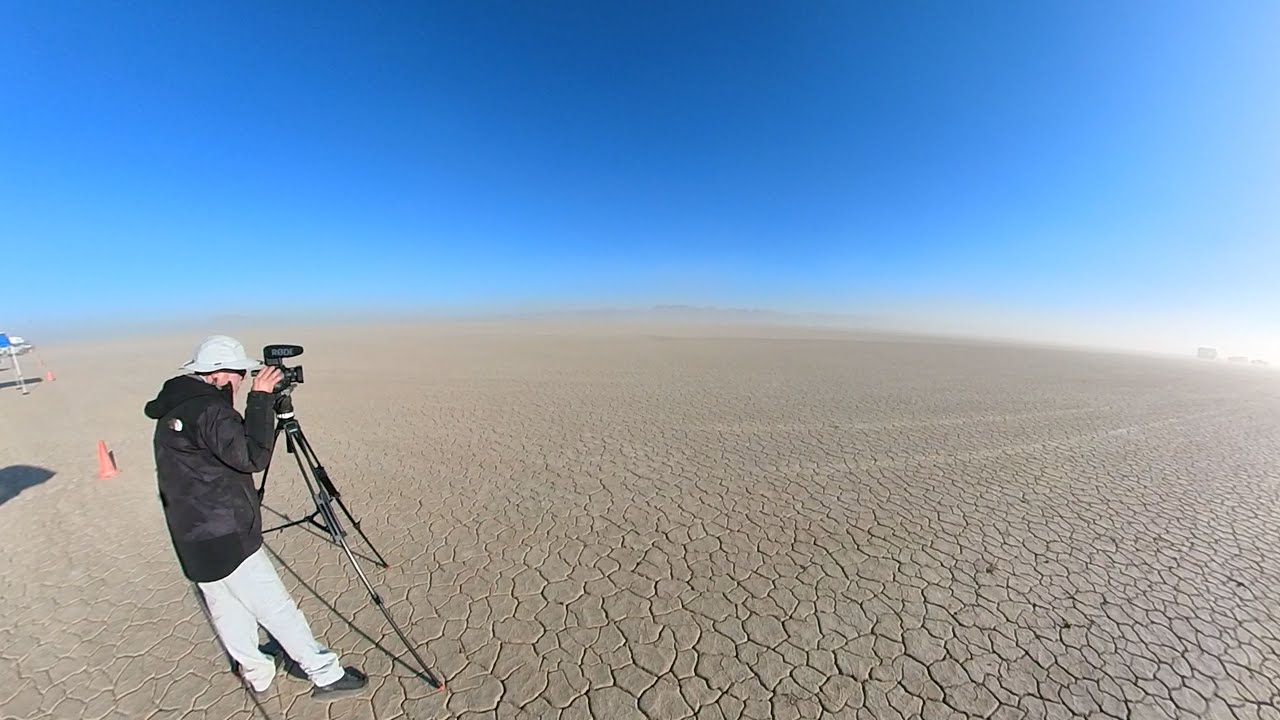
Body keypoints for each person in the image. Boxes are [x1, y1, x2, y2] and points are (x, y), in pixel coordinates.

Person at [144, 334, 368, 702]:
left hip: (191, 534)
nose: (242, 381)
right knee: (274, 606)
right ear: (217, 373)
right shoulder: (207, 410)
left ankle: (256, 672)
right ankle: (324, 673)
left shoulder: (175, 405)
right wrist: (261, 400)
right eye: (238, 375)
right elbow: (252, 457)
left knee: (226, 607)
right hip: (225, 531)